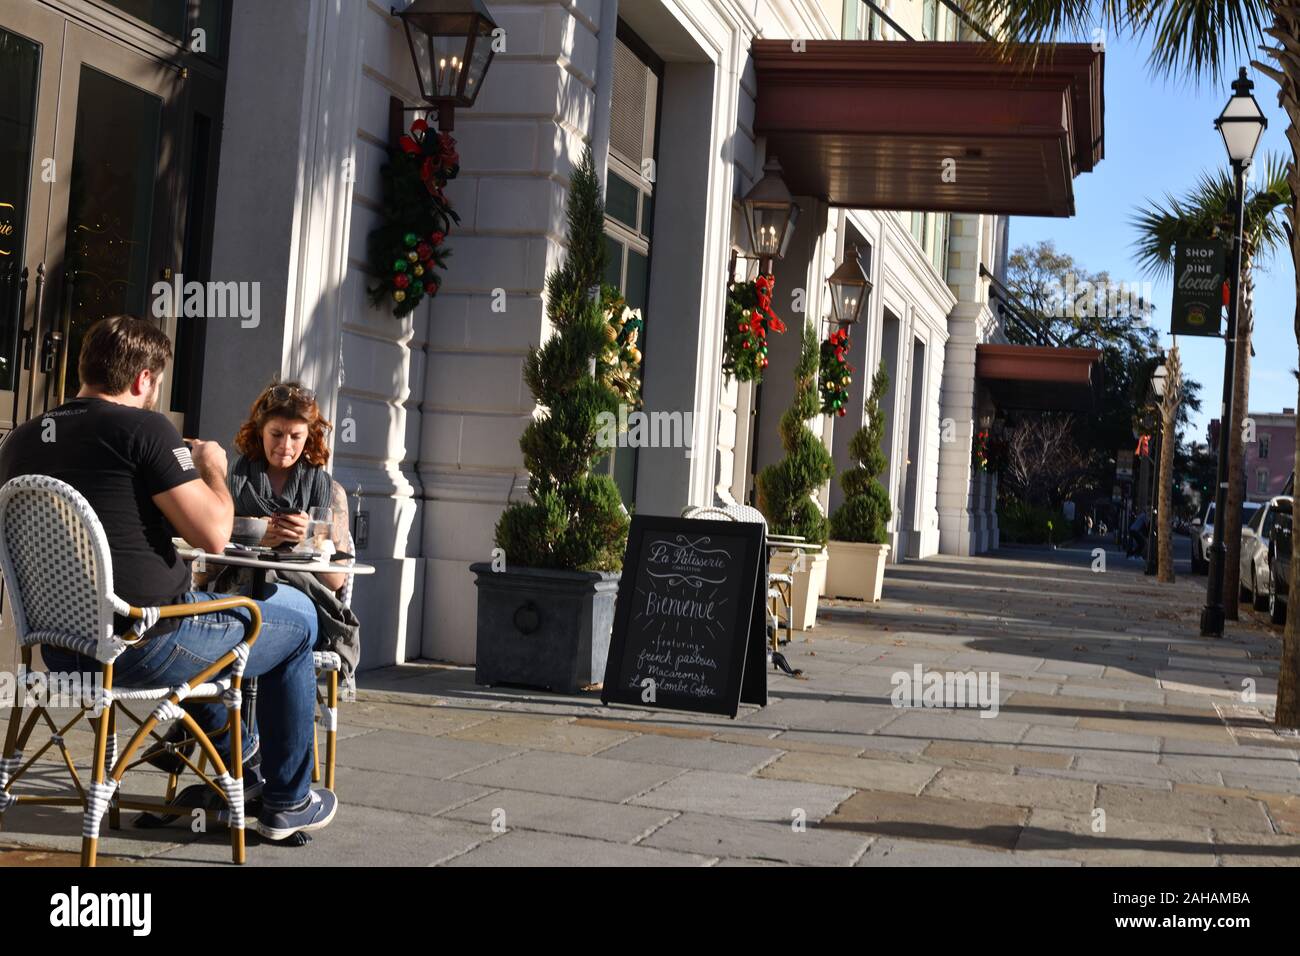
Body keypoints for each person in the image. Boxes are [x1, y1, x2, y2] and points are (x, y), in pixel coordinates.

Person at [0, 316, 336, 842]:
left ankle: (239, 763)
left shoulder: (21, 441)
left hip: (61, 650)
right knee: (298, 618)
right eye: (156, 383)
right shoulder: (144, 429)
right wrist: (212, 466)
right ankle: (288, 802)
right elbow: (215, 535)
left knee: (208, 614)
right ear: (142, 381)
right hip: (145, 643)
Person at [209, 382, 360, 685]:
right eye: (276, 434)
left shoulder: (328, 492)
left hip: (301, 597)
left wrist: (312, 537)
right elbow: (205, 566)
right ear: (260, 431)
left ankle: (237, 721)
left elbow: (335, 580)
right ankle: (224, 724)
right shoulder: (232, 480)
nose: (286, 446)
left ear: (311, 437)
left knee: (262, 615)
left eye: (296, 436)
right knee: (234, 616)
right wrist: (250, 535)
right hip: (237, 590)